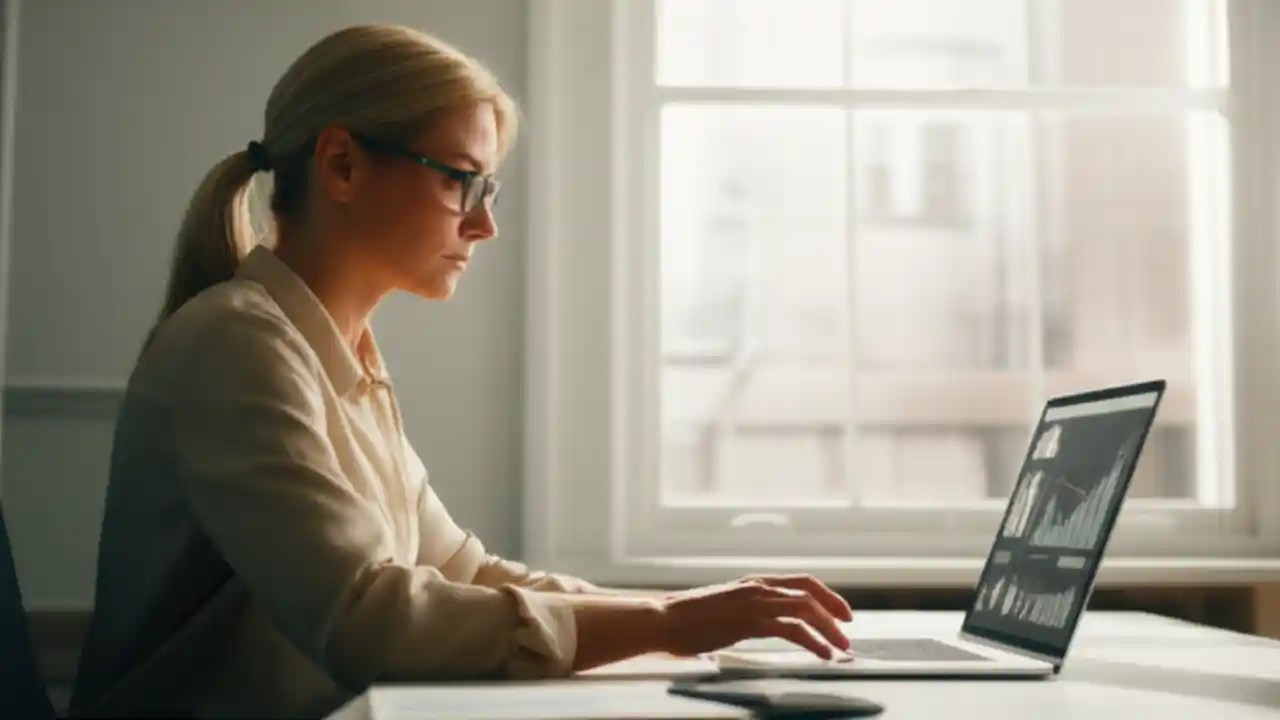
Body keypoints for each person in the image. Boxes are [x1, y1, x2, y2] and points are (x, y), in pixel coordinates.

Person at [68, 24, 853, 718]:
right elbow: (368, 621)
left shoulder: (339, 360)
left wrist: (678, 610)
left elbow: (461, 570)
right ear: (341, 164)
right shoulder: (236, 347)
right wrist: (668, 625)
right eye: (458, 180)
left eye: (487, 188)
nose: (484, 224)